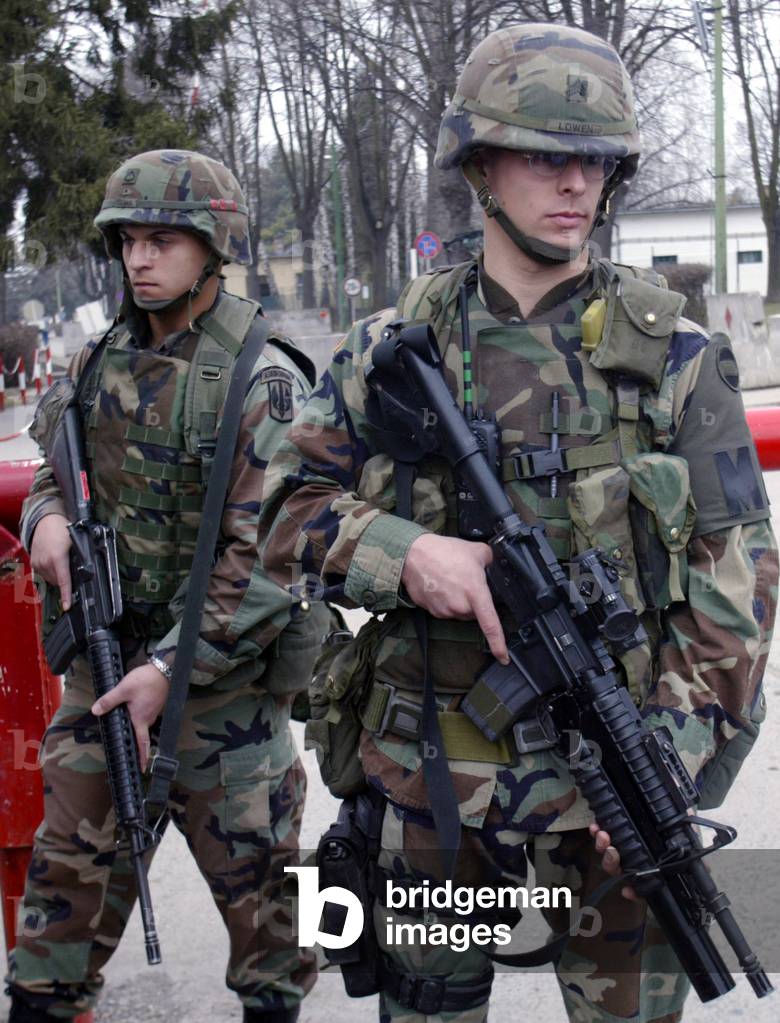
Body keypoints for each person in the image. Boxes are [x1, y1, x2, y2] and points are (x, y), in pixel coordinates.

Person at [258, 23, 778, 1023]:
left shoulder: (675, 361)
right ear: (482, 165)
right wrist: (409, 557)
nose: (574, 182)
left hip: (612, 801)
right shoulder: (388, 351)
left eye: (594, 160)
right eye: (547, 154)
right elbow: (280, 509)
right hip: (429, 796)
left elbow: (740, 592)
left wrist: (661, 764)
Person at [7, 149, 320, 1023]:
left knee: (269, 934)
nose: (140, 259)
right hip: (104, 675)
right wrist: (47, 520)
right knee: (55, 917)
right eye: (129, 241)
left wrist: (169, 670)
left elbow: (268, 559)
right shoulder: (99, 357)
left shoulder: (263, 379)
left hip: (221, 696)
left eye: (163, 241)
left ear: (212, 246)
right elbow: (51, 470)